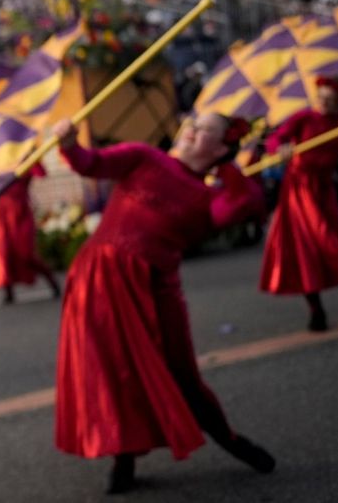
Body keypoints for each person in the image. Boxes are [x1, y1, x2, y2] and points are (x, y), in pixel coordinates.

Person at [51, 113, 275, 494]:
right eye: (192, 122)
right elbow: (91, 163)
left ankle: (230, 440)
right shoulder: (144, 156)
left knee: (181, 372)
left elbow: (240, 207)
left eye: (204, 130)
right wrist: (68, 143)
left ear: (220, 147)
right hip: (99, 277)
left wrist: (238, 169)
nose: (190, 129)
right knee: (112, 370)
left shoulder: (210, 196)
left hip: (156, 286)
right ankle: (124, 458)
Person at [259, 77, 338, 331]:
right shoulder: (304, 117)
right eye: (321, 98)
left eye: (331, 101)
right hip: (299, 191)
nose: (324, 104)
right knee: (306, 249)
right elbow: (277, 139)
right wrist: (281, 148)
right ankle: (323, 307)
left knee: (332, 242)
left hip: (324, 188)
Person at [0, 162, 60, 303]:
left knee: (26, 254)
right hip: (1, 215)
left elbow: (41, 173)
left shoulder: (24, 156)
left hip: (21, 215)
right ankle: (8, 293)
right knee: (3, 253)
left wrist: (32, 156)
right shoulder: (0, 157)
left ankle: (53, 282)